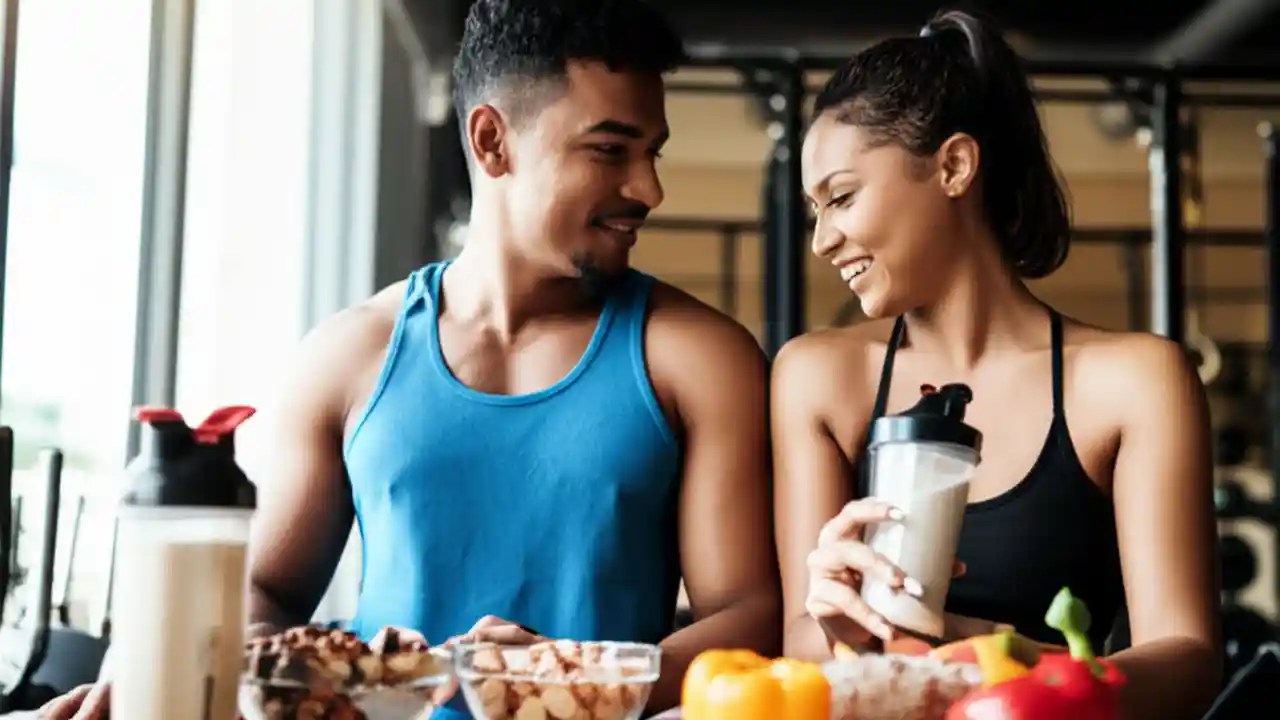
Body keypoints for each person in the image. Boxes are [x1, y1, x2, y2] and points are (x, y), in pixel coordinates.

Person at [42, 1, 779, 717]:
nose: (648, 188)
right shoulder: (348, 353)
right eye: (609, 150)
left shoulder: (699, 357)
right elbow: (266, 587)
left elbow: (747, 616)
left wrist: (571, 682)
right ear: (492, 141)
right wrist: (192, 663)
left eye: (652, 153)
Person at [772, 9, 1222, 719]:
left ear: (953, 165)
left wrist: (976, 649)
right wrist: (838, 626)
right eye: (812, 211)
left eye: (843, 198)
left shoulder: (1133, 383)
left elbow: (1189, 660)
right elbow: (801, 640)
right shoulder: (816, 378)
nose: (824, 239)